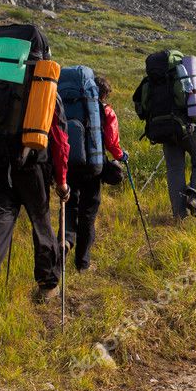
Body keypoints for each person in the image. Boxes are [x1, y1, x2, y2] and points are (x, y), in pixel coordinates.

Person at [0, 25, 70, 319]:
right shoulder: (42, 85)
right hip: (31, 166)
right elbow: (61, 140)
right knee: (41, 224)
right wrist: (62, 182)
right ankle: (48, 286)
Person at [64, 74, 127, 272]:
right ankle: (82, 264)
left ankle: (66, 240)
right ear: (105, 94)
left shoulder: (68, 107)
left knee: (69, 207)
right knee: (88, 214)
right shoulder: (106, 111)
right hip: (93, 168)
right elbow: (111, 142)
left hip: (69, 165)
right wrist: (121, 155)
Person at [163, 60, 196, 219]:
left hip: (168, 131)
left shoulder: (169, 83)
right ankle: (193, 196)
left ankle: (179, 215)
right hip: (191, 130)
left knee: (174, 170)